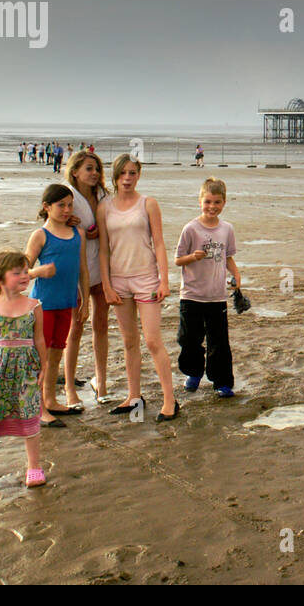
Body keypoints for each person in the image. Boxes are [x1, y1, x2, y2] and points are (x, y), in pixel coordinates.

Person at [99, 153, 179, 422]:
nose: (127, 178)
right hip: (119, 281)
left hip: (146, 279)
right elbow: (102, 250)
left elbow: (158, 243)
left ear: (138, 175)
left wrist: (164, 280)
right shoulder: (104, 207)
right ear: (115, 176)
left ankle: (170, 400)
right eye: (123, 173)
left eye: (132, 173)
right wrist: (107, 286)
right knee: (129, 341)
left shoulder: (149, 204)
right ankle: (134, 396)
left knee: (153, 340)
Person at [0, 248, 47, 490]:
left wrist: (43, 366)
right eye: (17, 273)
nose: (25, 276)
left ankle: (34, 467)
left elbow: (40, 339)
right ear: (0, 278)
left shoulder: (34, 306)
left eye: (26, 271)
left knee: (29, 418)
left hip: (27, 369)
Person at [24, 184, 87, 426]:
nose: (66, 209)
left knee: (57, 353)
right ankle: (38, 407)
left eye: (69, 205)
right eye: (61, 205)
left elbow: (83, 269)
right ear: (46, 207)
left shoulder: (76, 233)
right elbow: (24, 270)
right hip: (44, 304)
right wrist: (41, 270)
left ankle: (50, 400)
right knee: (41, 357)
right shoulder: (40, 235)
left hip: (68, 302)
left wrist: (84, 302)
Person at [174, 178, 240, 397]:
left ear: (224, 203)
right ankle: (194, 372)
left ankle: (222, 382)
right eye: (208, 202)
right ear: (200, 201)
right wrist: (192, 256)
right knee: (189, 339)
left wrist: (236, 275)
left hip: (217, 297)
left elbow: (228, 257)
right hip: (192, 295)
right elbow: (177, 260)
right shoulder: (190, 229)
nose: (212, 207)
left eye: (217, 202)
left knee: (219, 342)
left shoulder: (227, 229)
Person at [63, 150, 114, 406]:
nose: (94, 174)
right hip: (77, 268)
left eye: (96, 169)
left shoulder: (104, 196)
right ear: (75, 171)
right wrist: (71, 224)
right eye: (88, 169)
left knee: (101, 324)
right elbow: (48, 218)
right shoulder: (67, 195)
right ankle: (70, 387)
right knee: (76, 326)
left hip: (103, 265)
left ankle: (101, 380)